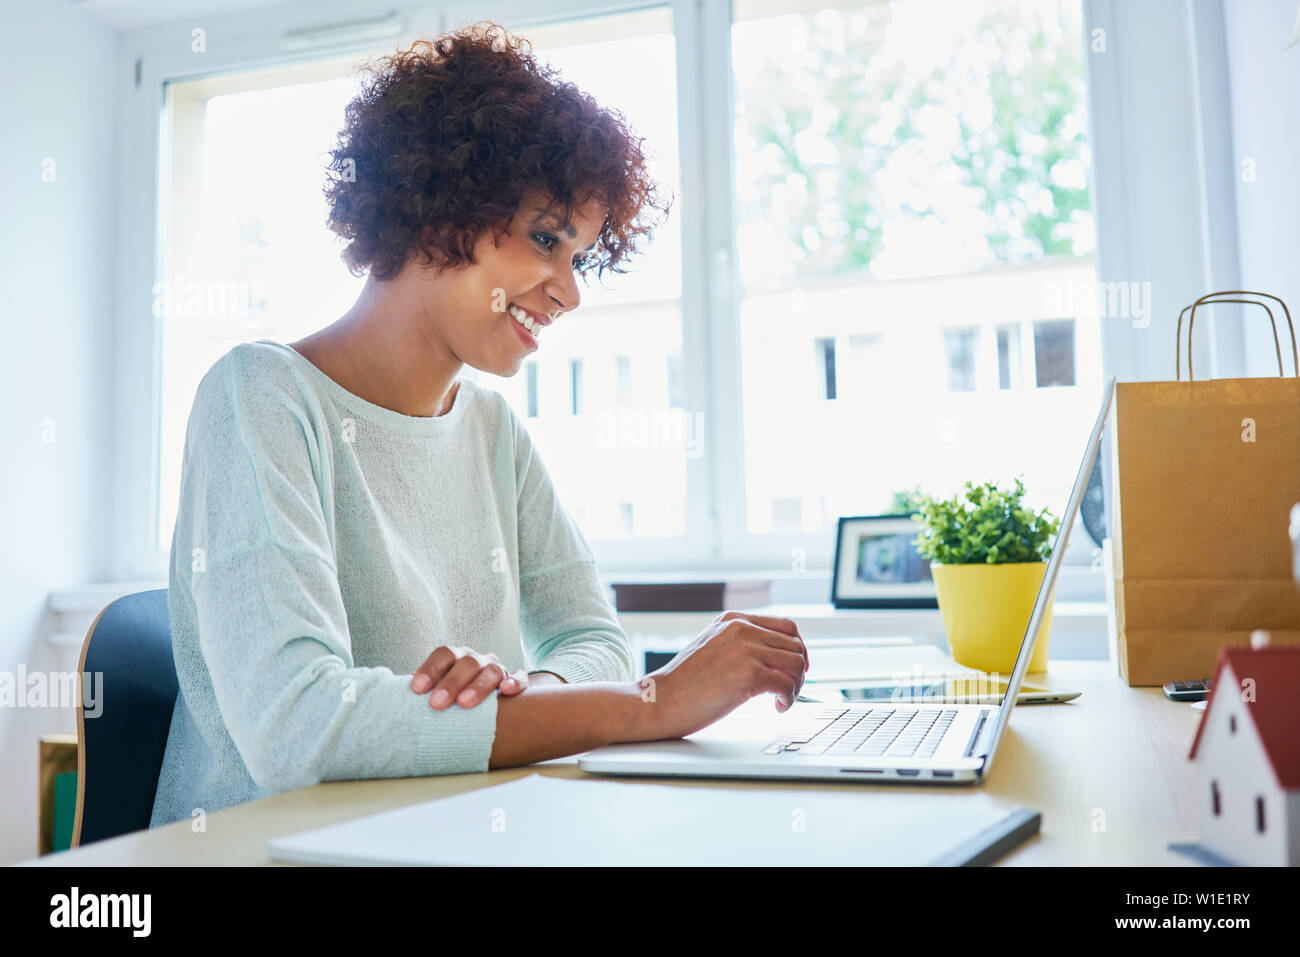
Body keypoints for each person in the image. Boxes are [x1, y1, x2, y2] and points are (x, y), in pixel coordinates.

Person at [150, 21, 807, 828]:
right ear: (438, 209)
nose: (569, 292)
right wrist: (651, 702)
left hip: (438, 834)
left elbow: (593, 637)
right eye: (545, 239)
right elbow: (298, 728)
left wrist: (529, 694)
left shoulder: (493, 431)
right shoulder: (258, 399)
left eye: (580, 259)